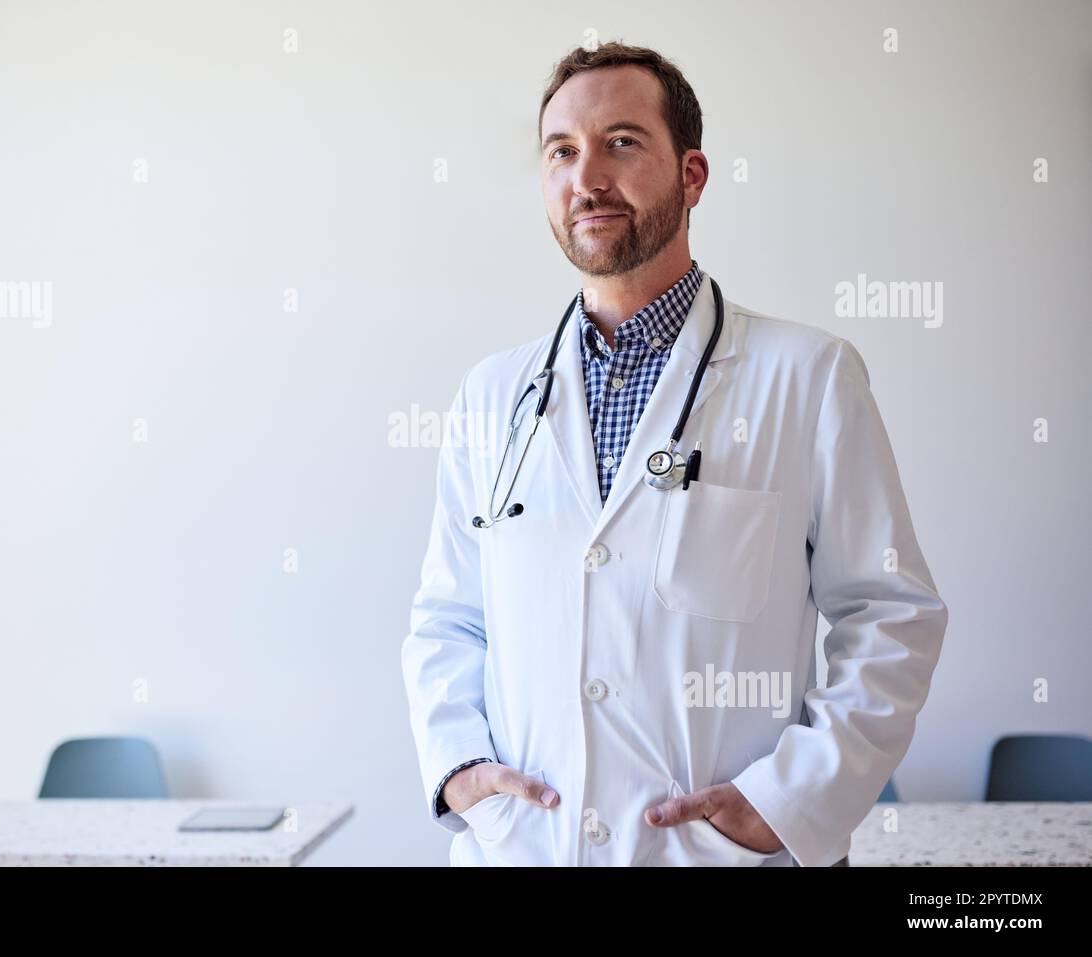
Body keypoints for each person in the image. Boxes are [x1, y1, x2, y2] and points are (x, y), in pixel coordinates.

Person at [400, 41, 948, 866]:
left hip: (715, 853)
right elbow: (447, 617)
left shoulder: (809, 377)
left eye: (621, 142)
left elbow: (890, 614)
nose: (587, 177)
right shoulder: (492, 393)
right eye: (562, 151)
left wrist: (790, 803)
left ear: (692, 175)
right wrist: (461, 773)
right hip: (527, 847)